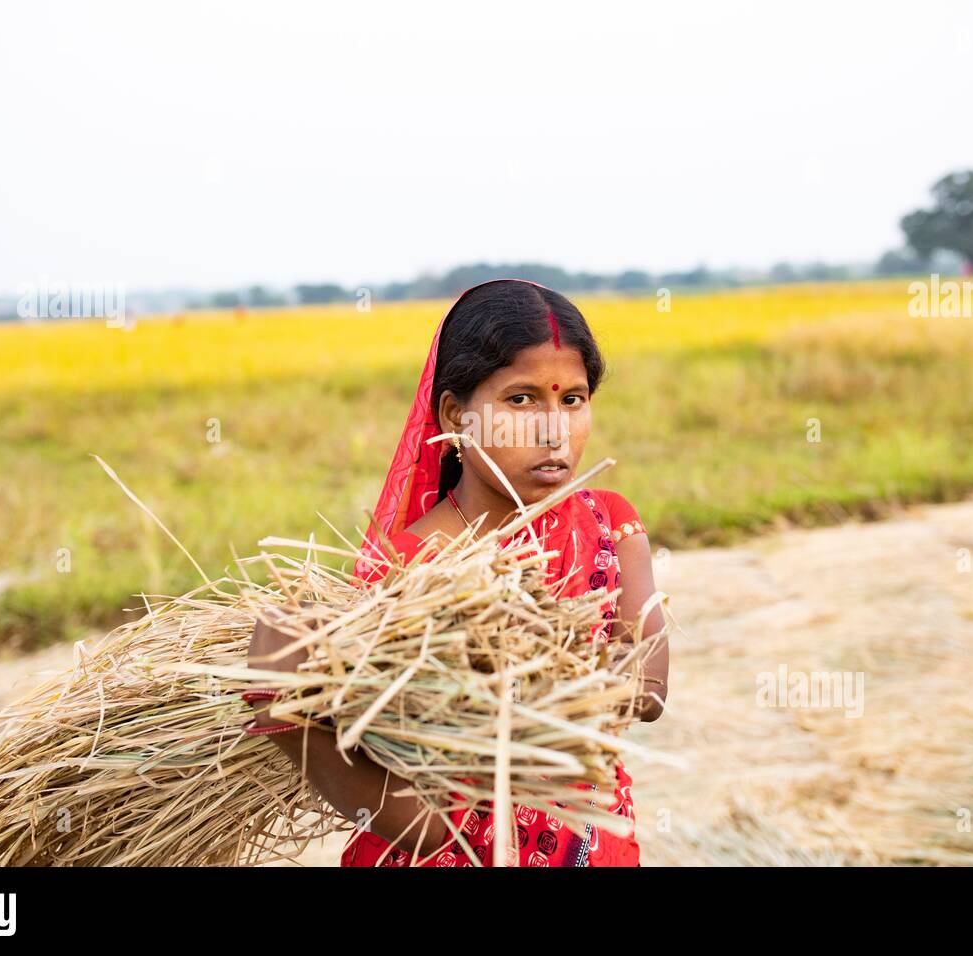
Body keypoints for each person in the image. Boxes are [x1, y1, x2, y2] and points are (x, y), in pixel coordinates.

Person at [246, 278, 668, 866]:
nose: (554, 431)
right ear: (454, 416)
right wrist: (287, 714)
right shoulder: (409, 574)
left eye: (572, 399)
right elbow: (417, 822)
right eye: (521, 400)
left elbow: (645, 692)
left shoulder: (609, 527)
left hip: (593, 848)